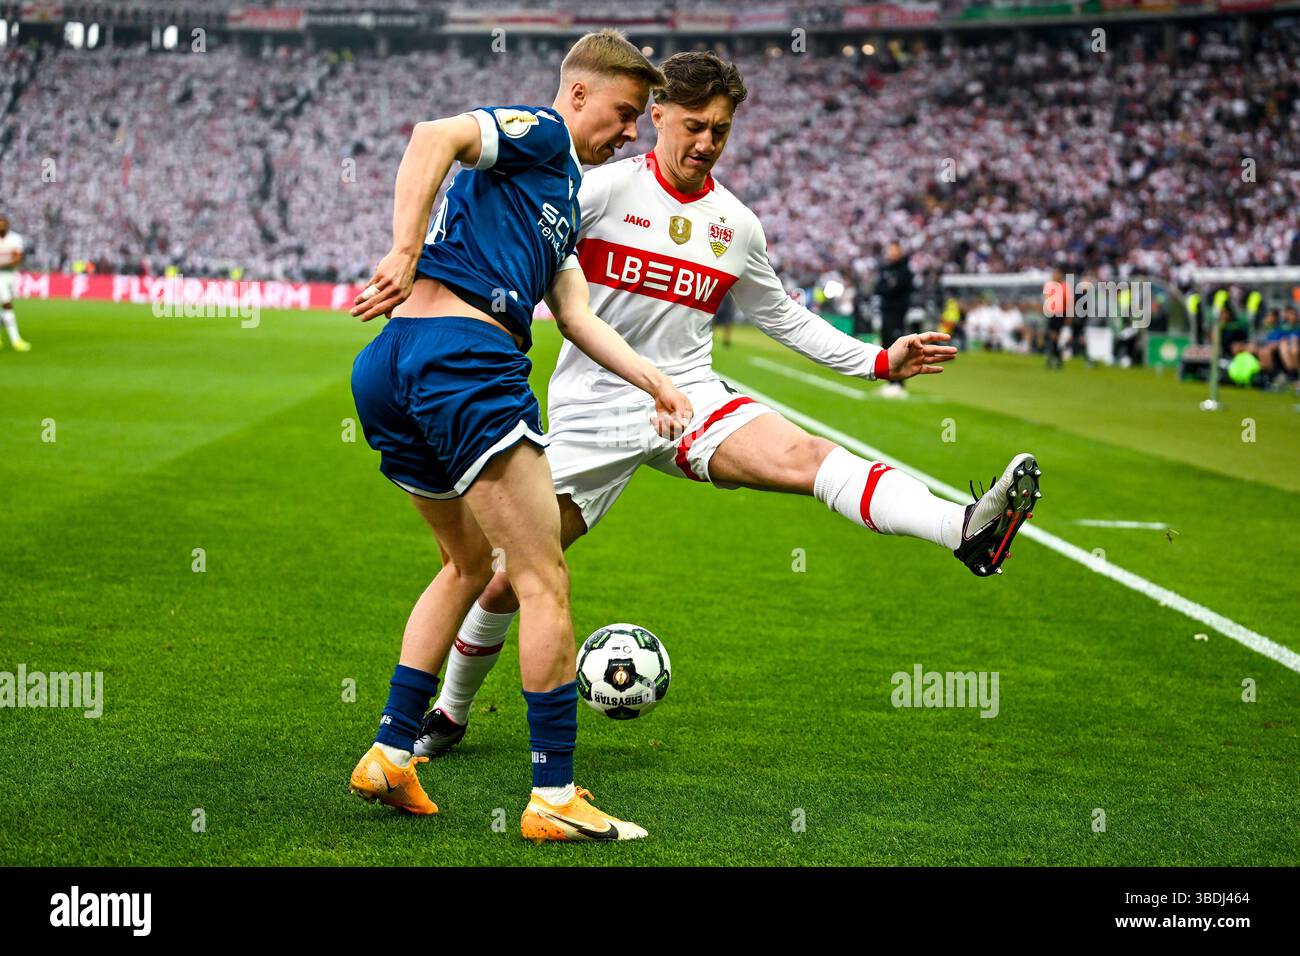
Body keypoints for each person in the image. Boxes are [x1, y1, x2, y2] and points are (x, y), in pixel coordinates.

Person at [415, 51, 1042, 760]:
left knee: (808, 456)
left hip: (690, 400)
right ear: (656, 117)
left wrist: (876, 359)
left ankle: (962, 530)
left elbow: (784, 317)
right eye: (694, 125)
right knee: (507, 579)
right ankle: (451, 711)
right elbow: (530, 265)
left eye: (721, 129)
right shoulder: (598, 191)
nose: (707, 142)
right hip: (593, 413)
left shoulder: (736, 225)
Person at [345, 30, 692, 842]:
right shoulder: (539, 132)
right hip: (463, 361)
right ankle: (554, 797)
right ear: (577, 96)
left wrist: (655, 381)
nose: (633, 131)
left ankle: (392, 753)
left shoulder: (561, 205)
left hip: (392, 368)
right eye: (626, 112)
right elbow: (436, 135)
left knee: (470, 564)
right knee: (542, 580)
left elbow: (575, 317)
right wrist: (402, 247)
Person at [875, 241, 913, 396]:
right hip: (886, 311)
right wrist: (887, 289)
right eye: (889, 250)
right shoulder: (886, 269)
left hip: (897, 312)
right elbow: (879, 288)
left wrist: (887, 289)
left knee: (898, 345)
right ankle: (891, 381)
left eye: (893, 250)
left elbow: (894, 289)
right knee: (886, 345)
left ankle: (899, 383)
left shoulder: (904, 270)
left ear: (900, 251)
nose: (890, 253)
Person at [0, 216, 31, 352]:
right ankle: (16, 340)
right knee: (7, 304)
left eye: (3, 224)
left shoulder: (15, 238)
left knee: (8, 307)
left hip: (11, 275)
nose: (1, 227)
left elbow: (17, 260)